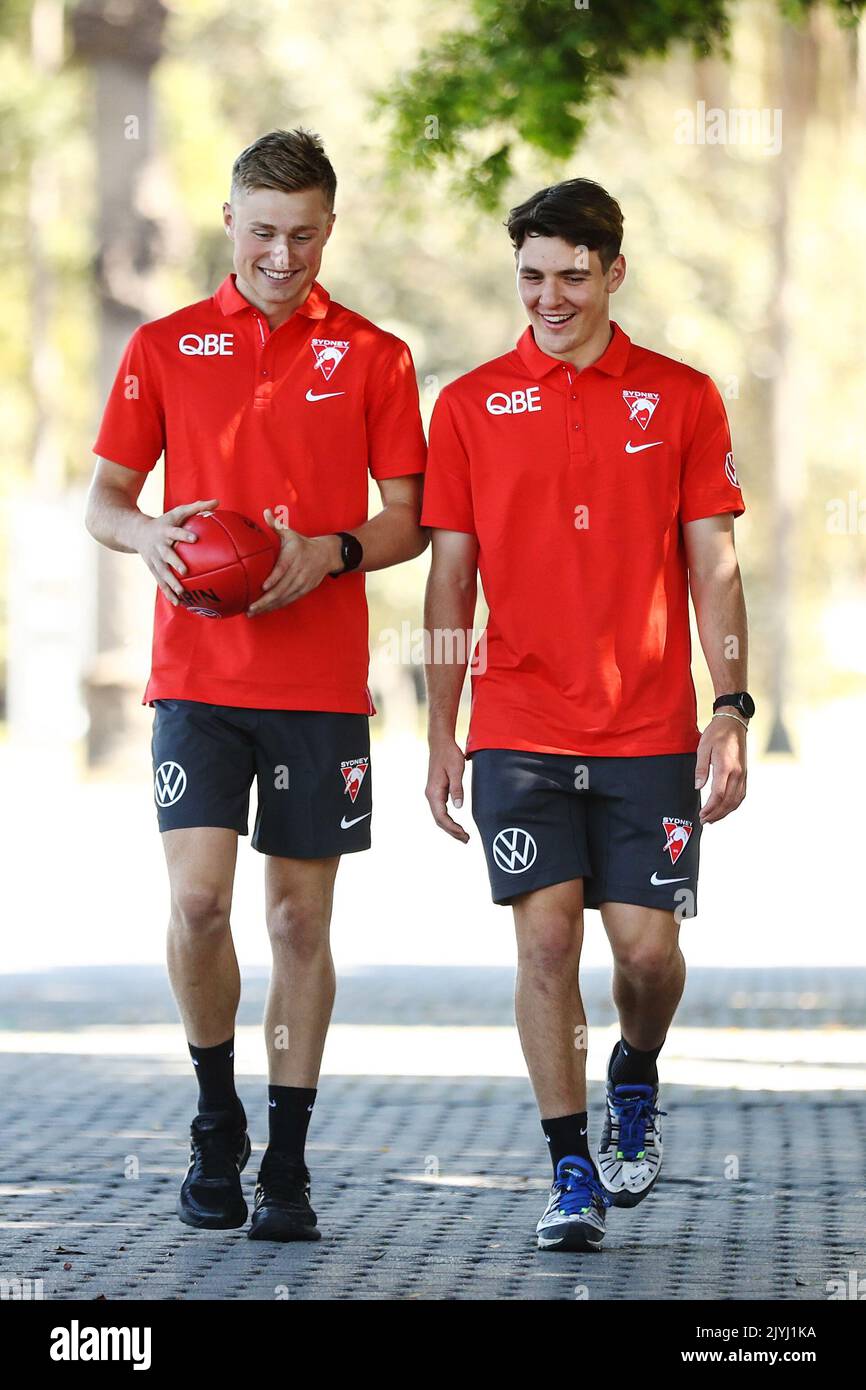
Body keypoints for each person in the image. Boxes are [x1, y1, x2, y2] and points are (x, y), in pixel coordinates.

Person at [85, 128, 427, 1242]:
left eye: (306, 234)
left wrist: (328, 552)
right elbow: (106, 500)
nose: (283, 255)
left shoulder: (375, 355)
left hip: (320, 685)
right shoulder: (164, 345)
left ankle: (284, 1155)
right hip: (196, 676)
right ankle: (213, 1115)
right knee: (195, 902)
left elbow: (408, 518)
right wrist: (147, 534)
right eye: (264, 231)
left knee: (294, 920)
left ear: (330, 227)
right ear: (229, 221)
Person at [421, 178, 751, 1252]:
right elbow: (447, 584)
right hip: (516, 719)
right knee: (545, 942)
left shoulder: (682, 396)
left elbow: (713, 563)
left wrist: (731, 702)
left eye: (571, 275)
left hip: (648, 728)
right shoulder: (468, 404)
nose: (548, 297)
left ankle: (635, 1071)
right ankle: (568, 1168)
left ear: (614, 271)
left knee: (645, 954)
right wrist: (440, 725)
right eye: (530, 277)